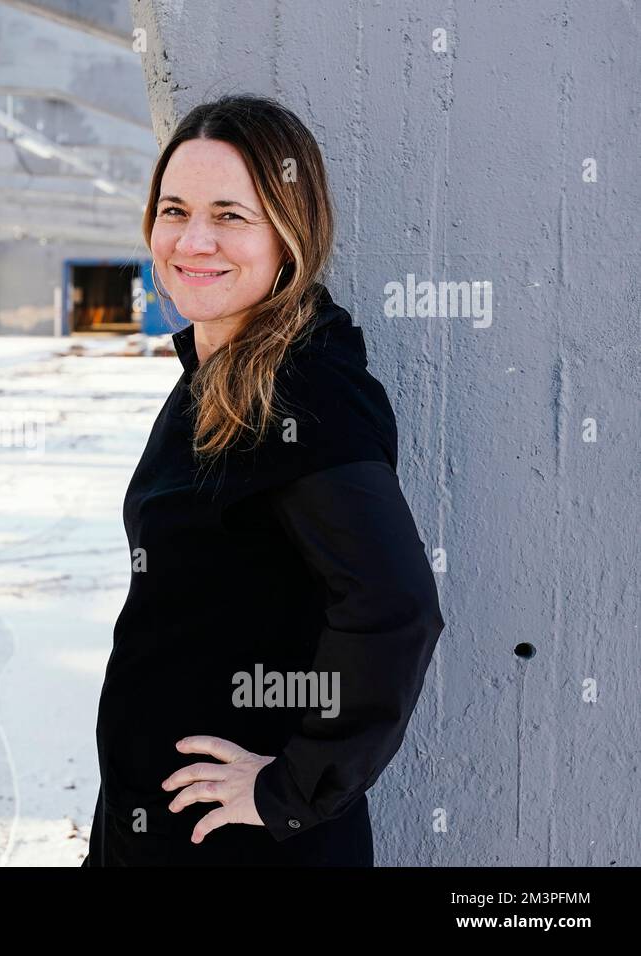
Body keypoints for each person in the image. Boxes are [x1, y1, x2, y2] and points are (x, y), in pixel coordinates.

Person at [84, 95, 445, 866]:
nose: (194, 239)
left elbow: (395, 607)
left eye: (231, 216)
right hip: (155, 825)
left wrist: (290, 790)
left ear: (290, 235)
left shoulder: (304, 389)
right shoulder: (211, 379)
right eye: (174, 209)